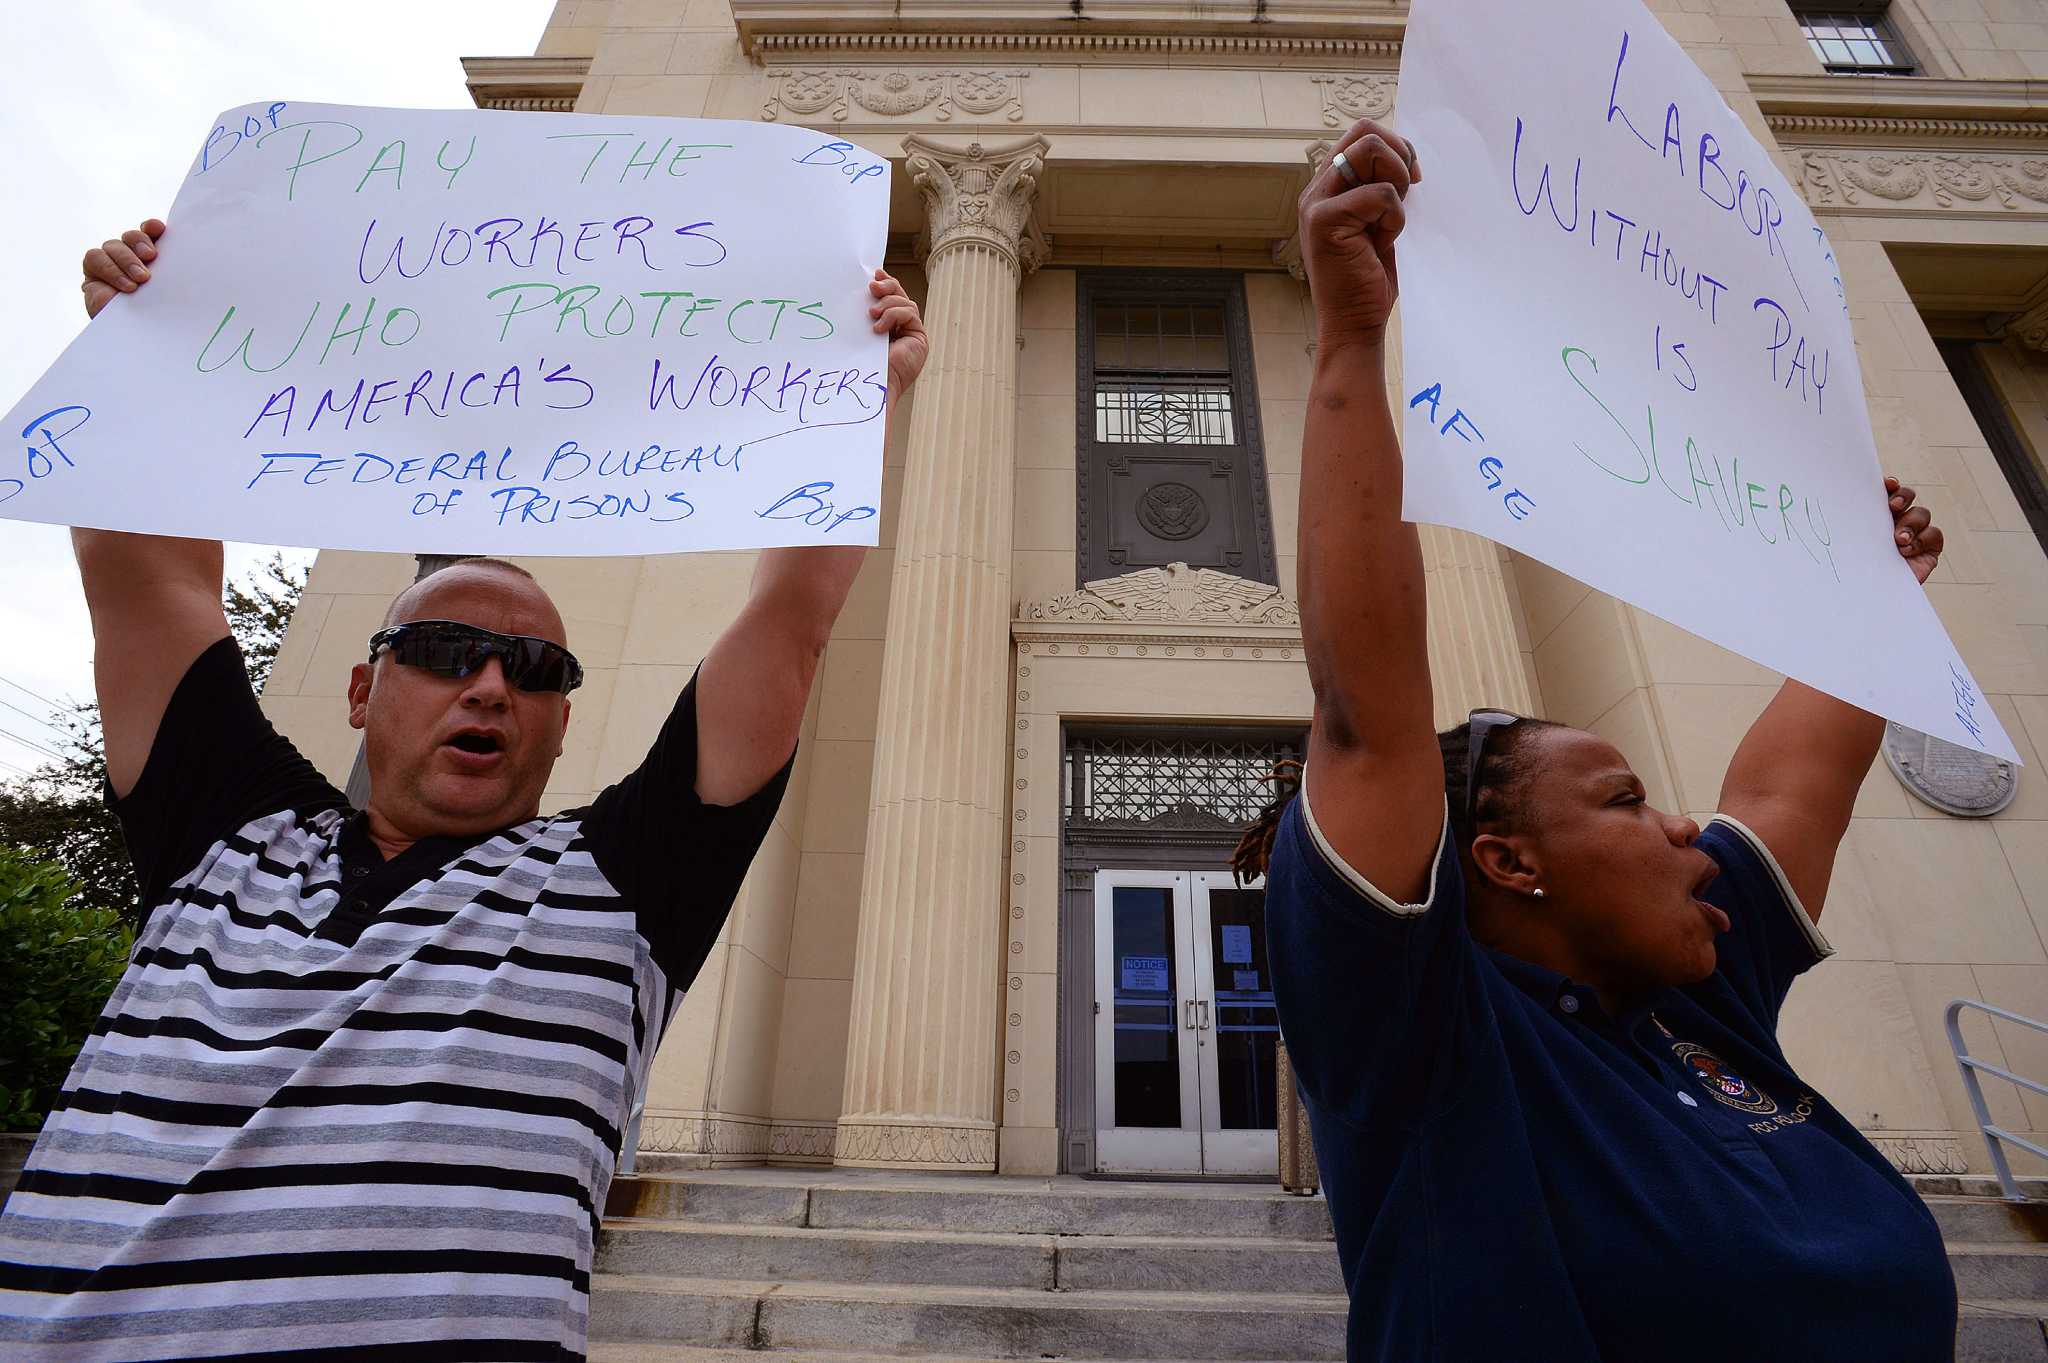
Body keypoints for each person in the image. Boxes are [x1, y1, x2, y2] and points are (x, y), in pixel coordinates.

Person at [0, 218, 928, 1360]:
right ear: (362, 687)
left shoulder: (623, 885)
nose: (490, 684)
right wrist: (144, 339)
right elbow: (148, 578)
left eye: (534, 669)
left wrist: (852, 403)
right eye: (444, 651)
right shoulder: (224, 829)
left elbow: (789, 622)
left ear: (562, 718)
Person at [1234, 118, 1960, 1362]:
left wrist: (1873, 590)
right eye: (1624, 800)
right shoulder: (1430, 1037)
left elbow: (1788, 787)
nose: (1684, 826)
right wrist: (1350, 338)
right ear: (1507, 860)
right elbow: (1365, 713)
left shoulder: (1695, 993)